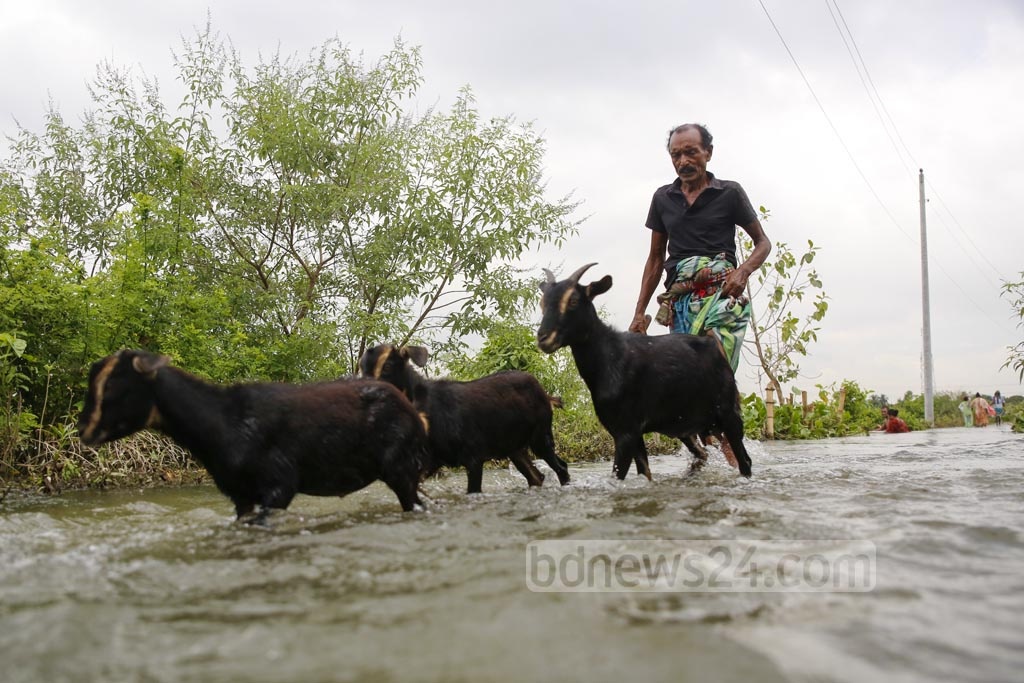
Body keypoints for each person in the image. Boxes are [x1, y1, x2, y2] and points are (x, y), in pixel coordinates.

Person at [628, 123, 771, 469]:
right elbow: (655, 259)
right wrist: (639, 313)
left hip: (723, 293)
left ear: (708, 152)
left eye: (691, 152)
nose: (683, 160)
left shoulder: (730, 193)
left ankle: (731, 451)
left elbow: (763, 244)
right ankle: (707, 447)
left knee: (714, 360)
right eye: (676, 154)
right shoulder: (663, 198)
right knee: (688, 378)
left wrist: (743, 271)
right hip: (681, 301)